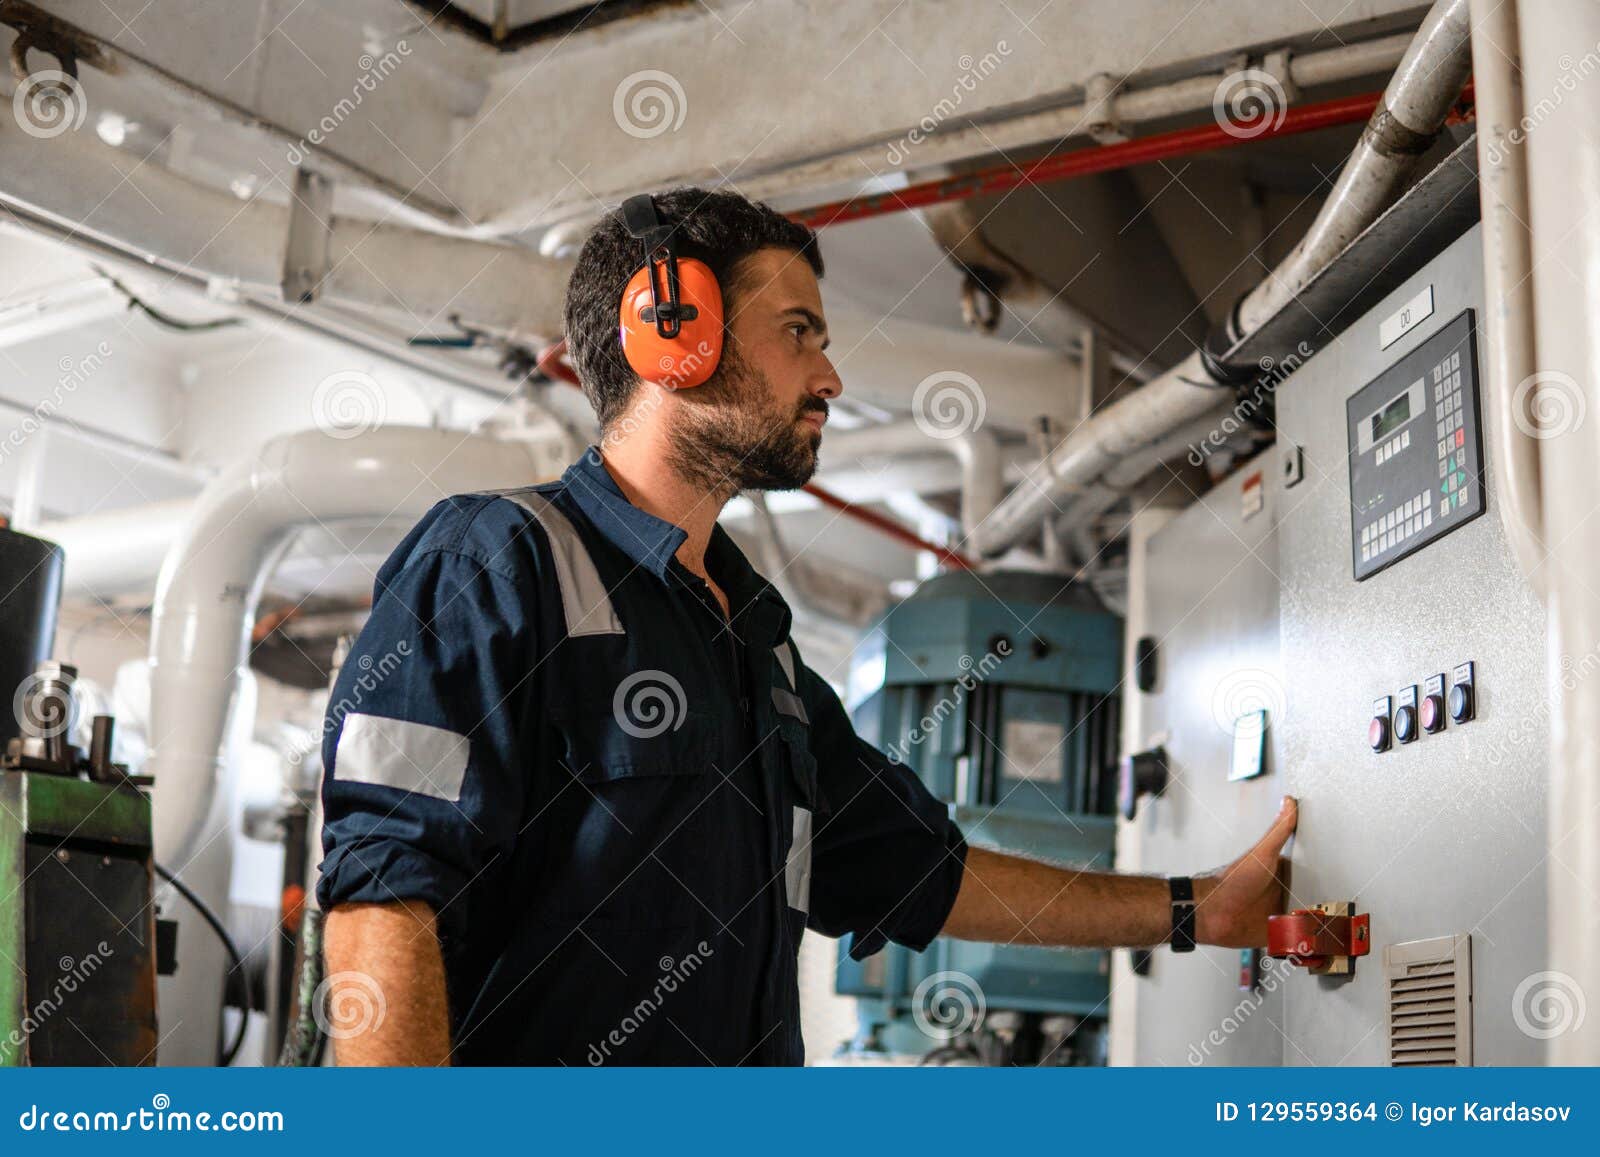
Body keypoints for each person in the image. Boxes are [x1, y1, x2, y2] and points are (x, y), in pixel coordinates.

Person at [316, 187, 1298, 1066]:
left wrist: (1193, 908)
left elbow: (920, 872)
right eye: (798, 331)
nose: (828, 375)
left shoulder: (755, 642)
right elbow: (386, 886)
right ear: (674, 331)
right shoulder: (496, 560)